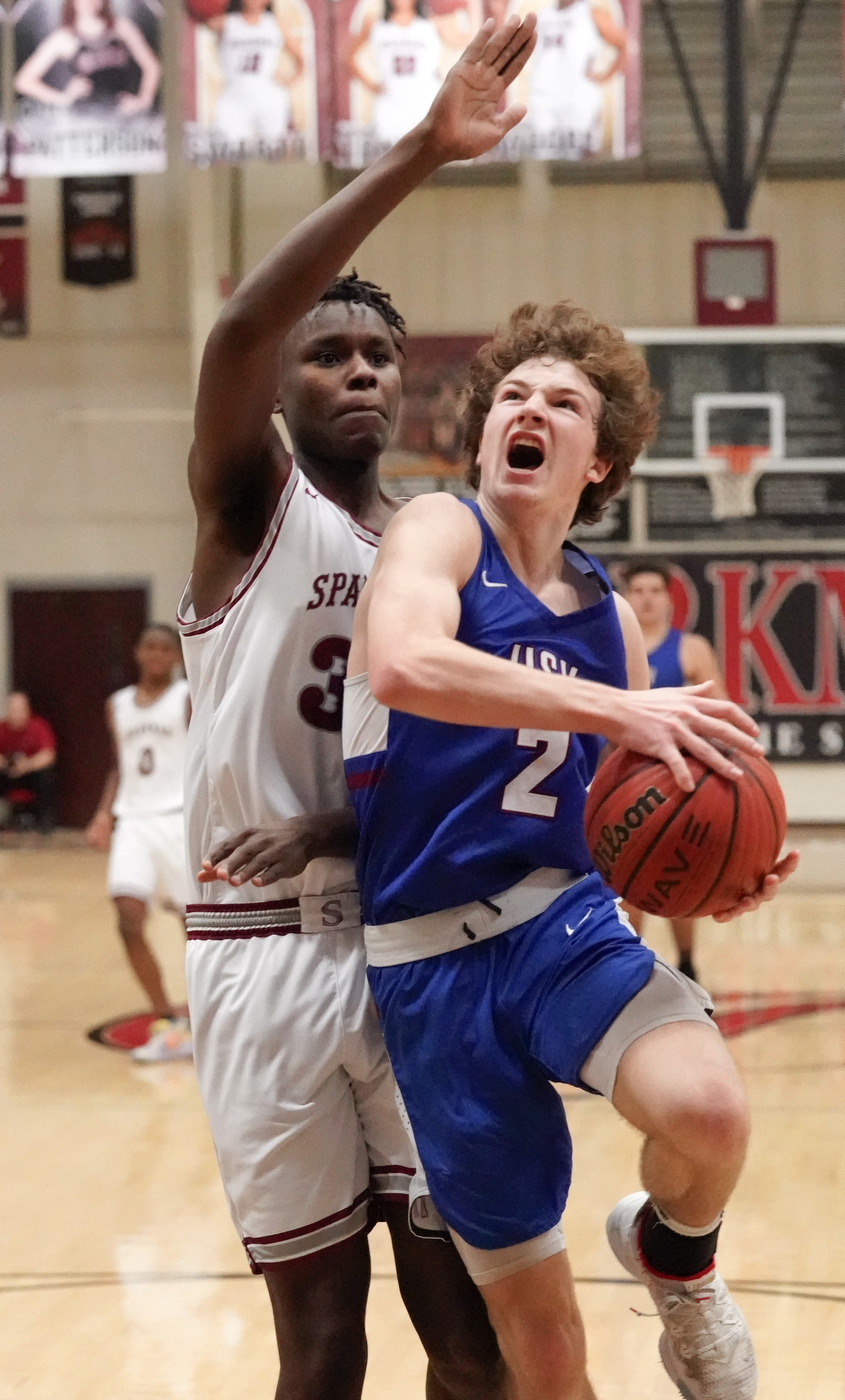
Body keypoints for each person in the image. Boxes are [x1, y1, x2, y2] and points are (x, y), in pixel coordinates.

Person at [343, 301, 799, 1400]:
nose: (527, 409)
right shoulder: (441, 533)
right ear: (485, 426)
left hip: (558, 924)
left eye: (561, 402)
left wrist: (703, 873)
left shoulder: (608, 613)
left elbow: (629, 813)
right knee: (544, 1356)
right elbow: (403, 660)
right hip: (428, 963)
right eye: (511, 394)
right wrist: (613, 707)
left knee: (710, 1111)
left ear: (601, 459)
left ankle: (675, 1260)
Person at [178, 15, 535, 1399]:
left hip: (412, 947)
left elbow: (460, 759)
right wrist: (424, 148)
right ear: (274, 390)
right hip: (258, 957)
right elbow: (236, 323)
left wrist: (337, 828)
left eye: (380, 355)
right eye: (327, 353)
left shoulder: (437, 546)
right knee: (324, 1350)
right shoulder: (247, 506)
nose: (360, 371)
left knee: (470, 1342)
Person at [86, 624, 192, 1064]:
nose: (157, 654)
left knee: (198, 927)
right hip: (133, 820)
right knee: (128, 916)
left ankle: (210, 1012)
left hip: (179, 817)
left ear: (176, 656)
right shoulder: (118, 705)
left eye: (166, 648)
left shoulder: (186, 696)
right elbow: (119, 766)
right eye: (150, 646)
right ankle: (164, 1015)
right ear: (137, 652)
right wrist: (102, 813)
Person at [621, 557, 728, 984]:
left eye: (655, 590)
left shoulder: (690, 648)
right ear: (627, 598)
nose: (646, 599)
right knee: (626, 882)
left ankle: (687, 962)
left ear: (668, 598)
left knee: (678, 880)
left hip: (679, 784)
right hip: (622, 783)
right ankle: (629, 964)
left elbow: (720, 711)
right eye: (639, 590)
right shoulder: (611, 641)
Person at [15, 0, 160, 115]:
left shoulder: (121, 28)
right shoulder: (64, 37)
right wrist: (62, 98)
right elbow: (23, 81)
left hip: (123, 119)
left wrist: (143, 100)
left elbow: (152, 67)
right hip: (83, 121)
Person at [524, 0, 626, 158]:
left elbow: (624, 44)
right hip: (544, 99)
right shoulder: (542, 16)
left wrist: (605, 76)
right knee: (544, 158)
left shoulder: (591, 13)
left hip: (578, 99)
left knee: (578, 161)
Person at [204, 0, 304, 151]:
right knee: (226, 153)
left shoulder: (274, 25)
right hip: (234, 98)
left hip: (268, 97)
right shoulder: (226, 23)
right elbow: (201, 19)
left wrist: (289, 79)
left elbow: (300, 60)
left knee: (276, 151)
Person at [348, 0, 444, 150]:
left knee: (425, 160)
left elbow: (466, 39)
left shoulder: (431, 23)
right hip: (390, 109)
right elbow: (348, 58)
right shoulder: (375, 24)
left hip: (424, 106)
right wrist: (371, 85)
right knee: (392, 163)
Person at [0, 692, 56, 834]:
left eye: (18, 710)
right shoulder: (2, 728)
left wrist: (27, 765)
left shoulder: (38, 727)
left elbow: (48, 755)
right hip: (7, 773)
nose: (15, 714)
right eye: (12, 710)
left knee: (46, 776)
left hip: (30, 774)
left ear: (27, 710)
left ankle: (45, 822)